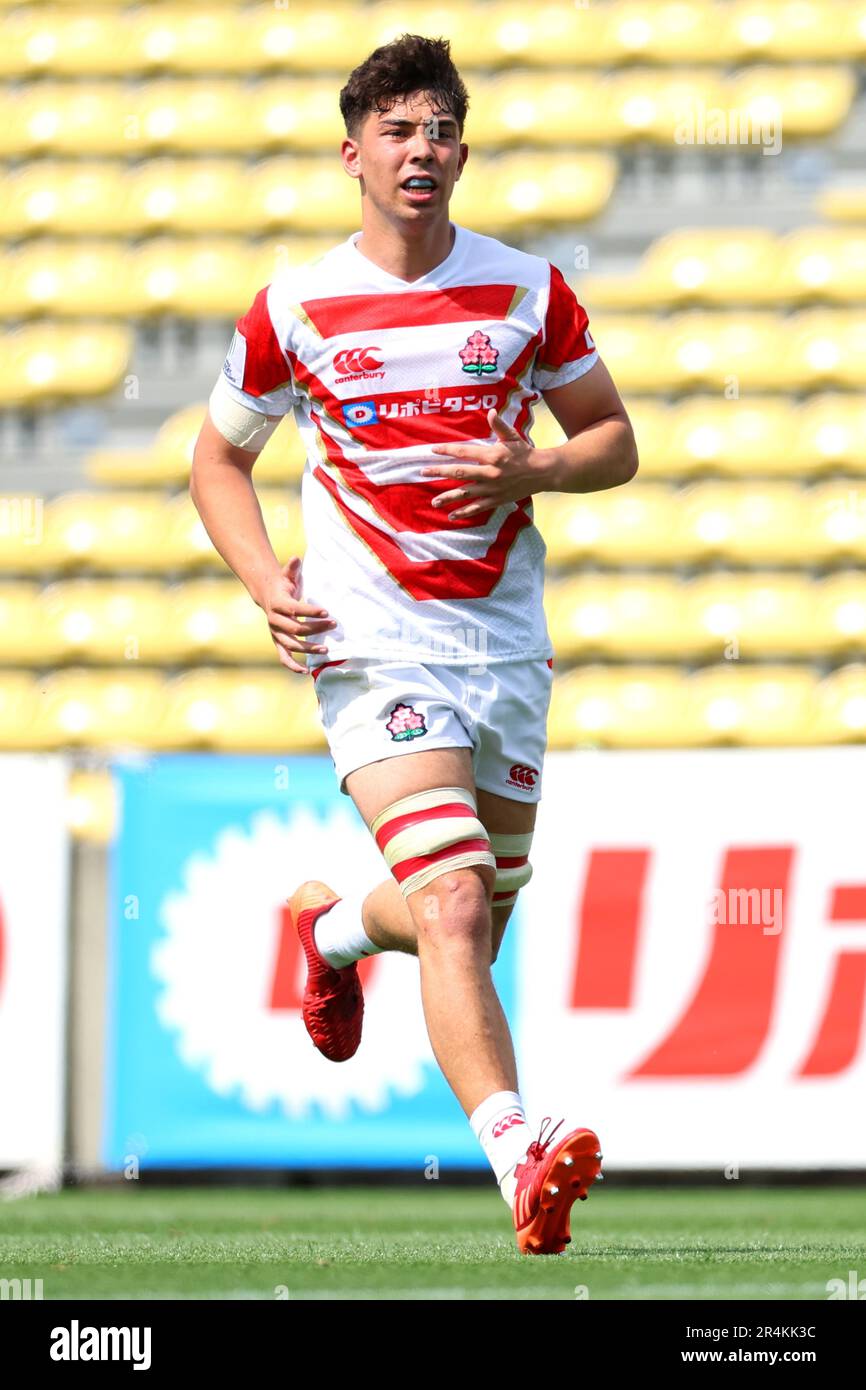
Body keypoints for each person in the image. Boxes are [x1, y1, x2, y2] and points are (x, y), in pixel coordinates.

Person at [191, 33, 638, 1256]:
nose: (422, 151)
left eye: (439, 129)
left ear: (460, 146)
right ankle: (519, 1150)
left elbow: (612, 438)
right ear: (354, 155)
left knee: (473, 915)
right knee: (449, 903)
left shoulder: (527, 290)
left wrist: (537, 463)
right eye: (397, 132)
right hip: (370, 644)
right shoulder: (295, 306)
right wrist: (260, 580)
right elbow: (217, 457)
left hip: (501, 643)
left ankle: (330, 933)